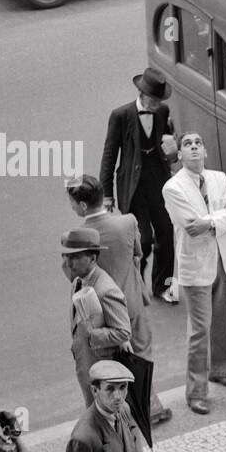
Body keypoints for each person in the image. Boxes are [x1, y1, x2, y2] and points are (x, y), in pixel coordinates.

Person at [67, 175, 170, 426]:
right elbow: (138, 254)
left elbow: (72, 275)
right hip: (132, 301)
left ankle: (117, 416)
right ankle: (150, 406)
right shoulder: (127, 221)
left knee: (107, 364)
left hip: (100, 312)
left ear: (81, 206)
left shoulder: (77, 238)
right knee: (141, 355)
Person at [163, 133, 226, 416]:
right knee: (199, 330)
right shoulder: (173, 188)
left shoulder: (220, 178)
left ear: (205, 151)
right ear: (180, 156)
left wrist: (210, 222)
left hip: (224, 258)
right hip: (195, 266)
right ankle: (196, 393)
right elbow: (189, 226)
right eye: (187, 144)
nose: (194, 146)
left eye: (198, 143)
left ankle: (222, 370)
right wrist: (219, 221)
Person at [99, 68, 179, 300]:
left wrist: (172, 153)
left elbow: (167, 147)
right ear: (141, 94)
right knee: (142, 239)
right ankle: (135, 284)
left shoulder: (163, 111)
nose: (156, 104)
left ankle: (163, 286)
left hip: (158, 180)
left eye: (159, 100)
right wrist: (107, 195)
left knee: (166, 235)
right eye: (153, 100)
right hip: (132, 186)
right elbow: (109, 155)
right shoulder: (121, 115)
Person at [60, 228, 132, 407]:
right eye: (66, 256)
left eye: (75, 257)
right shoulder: (78, 281)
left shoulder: (106, 290)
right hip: (86, 363)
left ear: (92, 258)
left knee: (104, 418)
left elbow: (123, 332)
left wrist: (92, 334)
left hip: (102, 371)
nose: (68, 263)